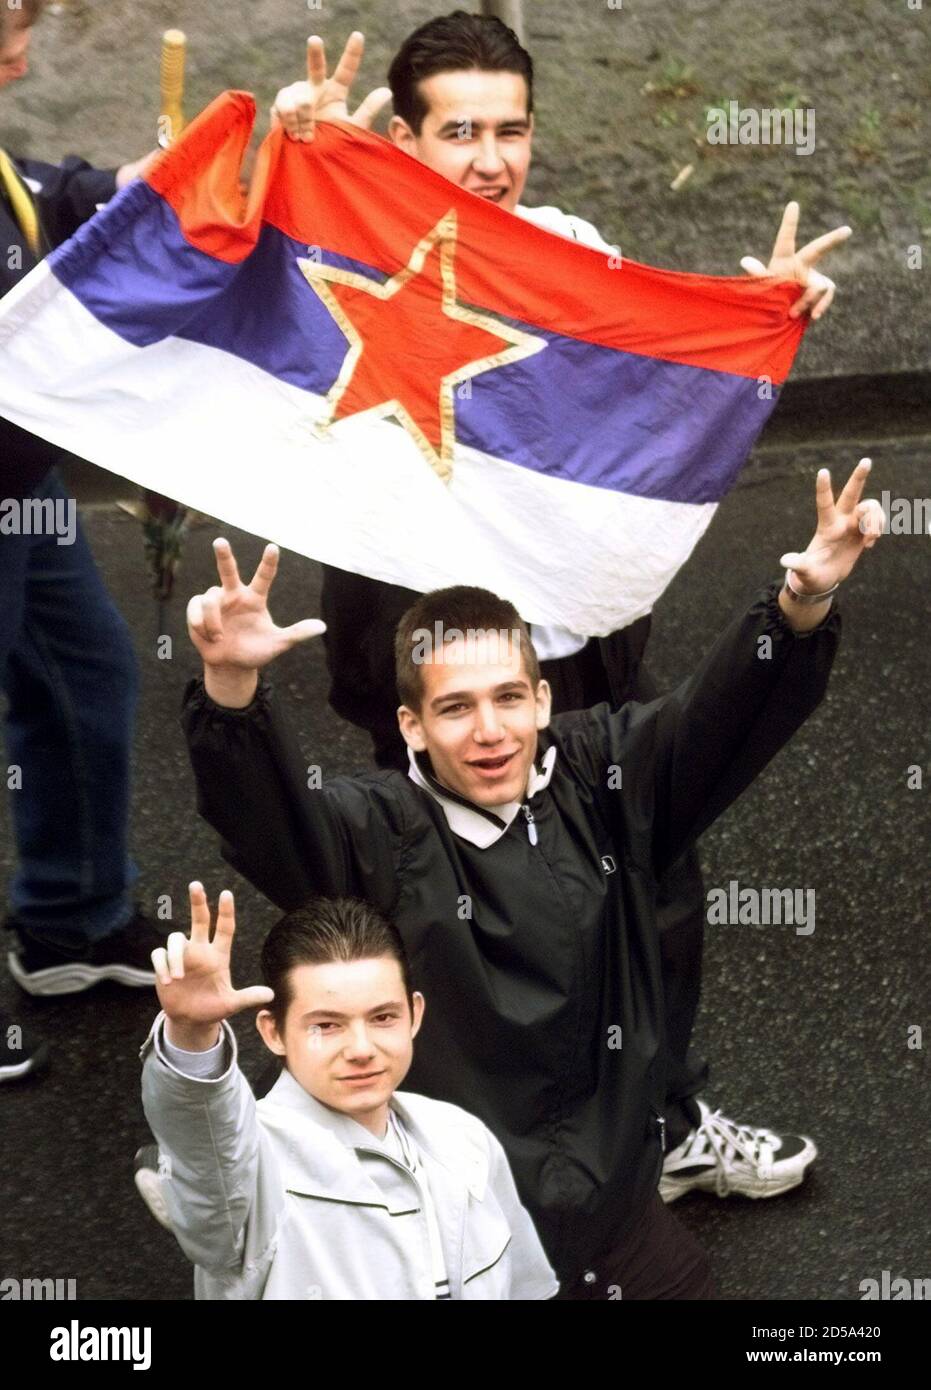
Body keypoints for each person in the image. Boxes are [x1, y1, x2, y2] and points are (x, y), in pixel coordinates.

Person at [267, 13, 851, 1197]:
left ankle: (662, 1116)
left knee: (652, 879)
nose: (490, 157)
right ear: (407, 135)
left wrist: (748, 325)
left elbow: (646, 375)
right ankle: (408, 1154)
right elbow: (240, 285)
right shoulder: (347, 240)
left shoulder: (567, 245)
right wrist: (298, 165)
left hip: (578, 648)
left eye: (511, 128)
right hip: (426, 657)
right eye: (460, 131)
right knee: (439, 909)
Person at [179, 460, 883, 1297]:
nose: (489, 732)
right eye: (454, 707)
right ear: (408, 726)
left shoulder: (606, 776)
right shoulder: (374, 829)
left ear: (544, 700)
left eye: (509, 698)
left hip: (616, 1209)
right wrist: (231, 684)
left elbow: (720, 713)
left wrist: (799, 606)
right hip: (458, 1227)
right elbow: (265, 817)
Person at [0, 0, 164, 1075]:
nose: (19, 51)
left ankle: (70, 918)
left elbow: (36, 202)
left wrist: (119, 192)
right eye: (2, 27)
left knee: (87, 670)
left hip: (20, 474)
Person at [141, 883, 557, 1300]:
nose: (361, 1049)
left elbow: (528, 1288)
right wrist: (192, 1032)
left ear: (414, 1015)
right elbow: (211, 1154)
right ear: (273, 1032)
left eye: (382, 1017)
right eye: (326, 1025)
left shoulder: (464, 1138)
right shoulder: (250, 1167)